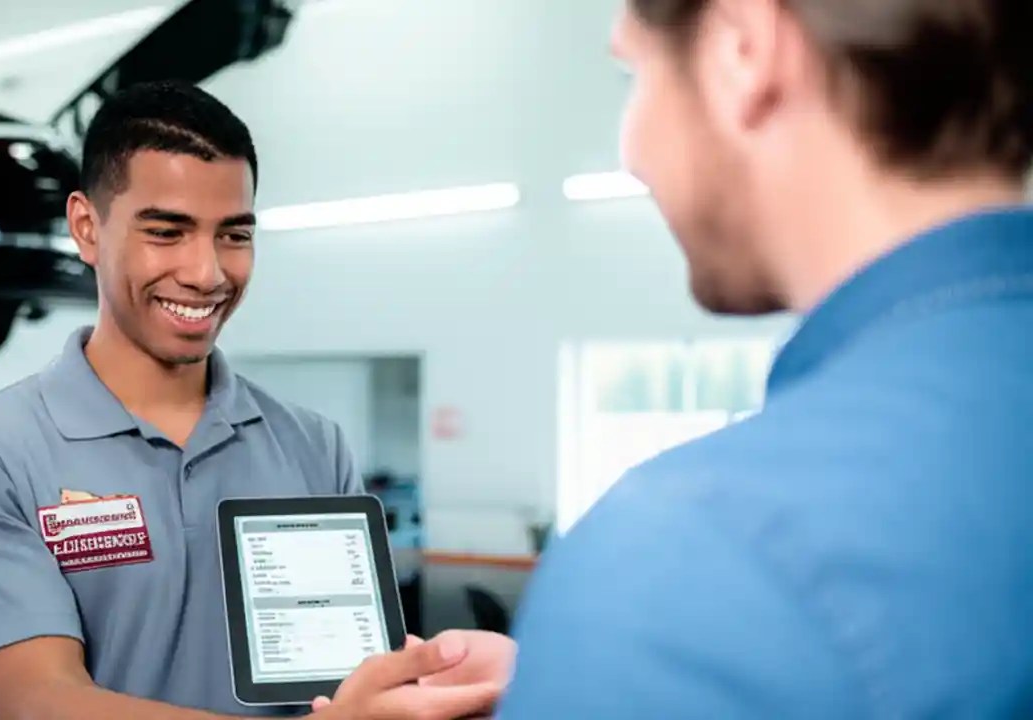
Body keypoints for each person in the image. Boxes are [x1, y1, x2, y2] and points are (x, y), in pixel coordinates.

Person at [312, 0, 1033, 717]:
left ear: (743, 48)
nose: (632, 152)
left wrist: (627, 649)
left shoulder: (694, 553)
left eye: (635, 76)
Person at [0, 80, 366, 719]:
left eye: (234, 235)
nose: (207, 273)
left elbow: (347, 681)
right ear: (87, 228)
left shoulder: (313, 445)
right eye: (168, 232)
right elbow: (42, 702)